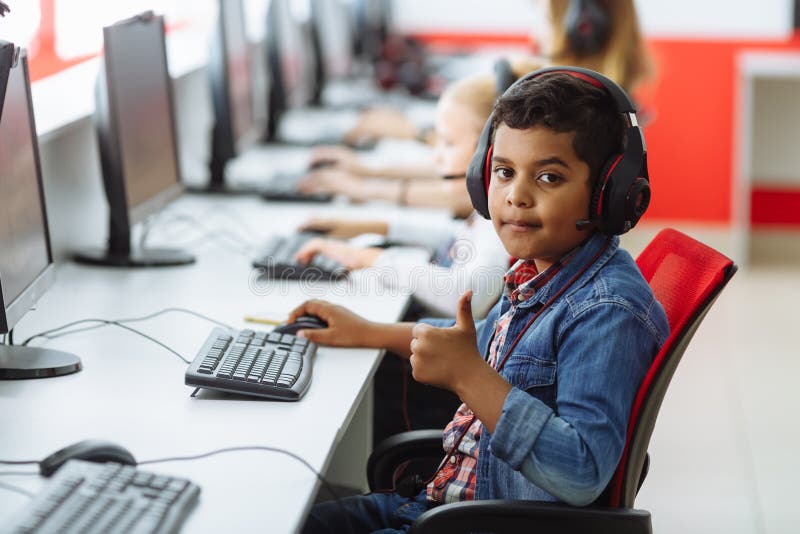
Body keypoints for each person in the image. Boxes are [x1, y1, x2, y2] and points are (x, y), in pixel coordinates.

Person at [295, 68, 669, 533]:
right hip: (439, 503)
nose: (516, 196)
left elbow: (581, 473)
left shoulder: (605, 312)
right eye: (504, 172)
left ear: (608, 195)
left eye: (550, 177)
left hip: (474, 521)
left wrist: (472, 376)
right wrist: (365, 333)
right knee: (286, 520)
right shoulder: (537, 274)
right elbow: (463, 343)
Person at [294, 73, 508, 319]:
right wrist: (373, 227)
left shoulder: (504, 217)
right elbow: (456, 240)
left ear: (488, 153)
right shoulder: (486, 213)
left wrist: (366, 257)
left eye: (448, 143)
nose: (435, 157)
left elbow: (470, 297)